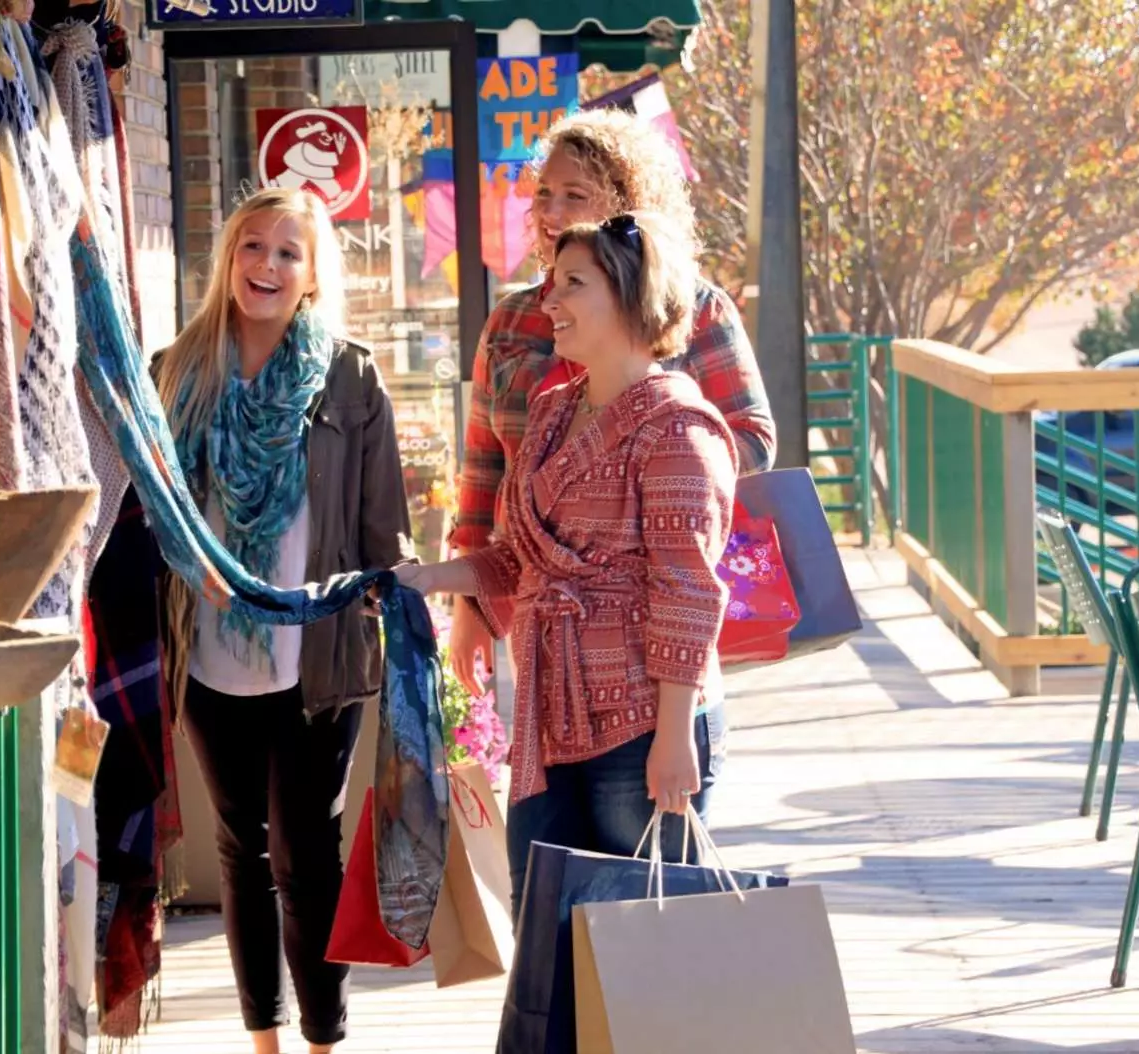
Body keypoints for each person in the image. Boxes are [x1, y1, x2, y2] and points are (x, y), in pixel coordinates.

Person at [398, 213, 738, 914]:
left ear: (630, 295)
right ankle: (557, 1035)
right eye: (553, 283)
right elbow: (525, 559)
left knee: (645, 932)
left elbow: (688, 591)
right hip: (550, 714)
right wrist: (430, 580)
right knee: (546, 921)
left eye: (573, 284)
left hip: (646, 717)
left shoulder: (678, 428)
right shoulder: (552, 411)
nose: (549, 301)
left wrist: (675, 738)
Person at [156, 187, 413, 1054]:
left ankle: (323, 1042)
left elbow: (384, 529)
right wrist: (193, 565)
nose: (267, 265)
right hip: (209, 655)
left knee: (309, 857)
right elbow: (146, 515)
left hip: (320, 656)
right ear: (228, 259)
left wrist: (410, 615)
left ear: (312, 275)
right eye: (252, 246)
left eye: (288, 252)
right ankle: (263, 1039)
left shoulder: (349, 375)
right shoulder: (176, 370)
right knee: (240, 850)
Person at [446, 109, 774, 702]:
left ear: (629, 204)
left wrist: (653, 466)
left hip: (651, 619)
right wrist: (468, 604)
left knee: (641, 783)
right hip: (531, 610)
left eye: (574, 194)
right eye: (543, 193)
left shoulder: (693, 308)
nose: (548, 213)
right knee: (539, 789)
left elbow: (752, 437)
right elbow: (481, 472)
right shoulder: (513, 319)